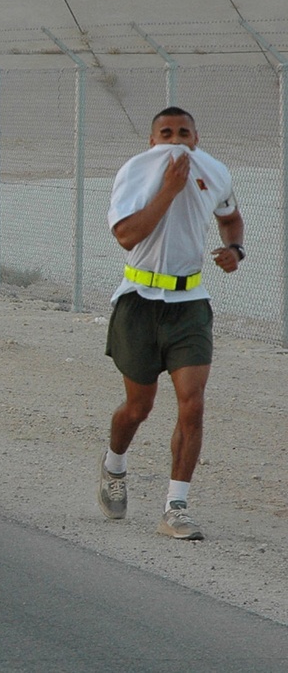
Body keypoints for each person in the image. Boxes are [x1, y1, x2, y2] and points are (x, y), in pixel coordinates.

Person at [99, 106, 245, 540]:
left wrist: (235, 249)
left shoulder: (214, 172)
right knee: (138, 407)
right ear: (152, 140)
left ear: (197, 138)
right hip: (139, 303)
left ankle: (175, 507)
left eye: (184, 132)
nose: (176, 140)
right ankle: (114, 464)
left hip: (189, 304)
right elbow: (126, 235)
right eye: (166, 133)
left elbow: (230, 217)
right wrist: (168, 189)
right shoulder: (136, 172)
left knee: (192, 403)